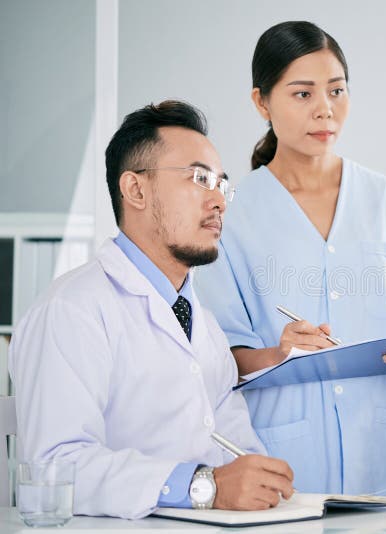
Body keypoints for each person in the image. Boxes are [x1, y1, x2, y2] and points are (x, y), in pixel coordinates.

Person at [194, 21, 386, 500]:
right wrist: (279, 353)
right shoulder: (230, 213)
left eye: (336, 91)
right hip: (284, 457)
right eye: (303, 94)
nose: (325, 110)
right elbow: (220, 357)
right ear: (261, 102)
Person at [9, 101, 294, 519]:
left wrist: (261, 478)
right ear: (135, 190)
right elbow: (55, 465)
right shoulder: (71, 310)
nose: (218, 201)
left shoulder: (202, 322)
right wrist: (203, 485)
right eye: (200, 178)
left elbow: (230, 440)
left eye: (221, 183)